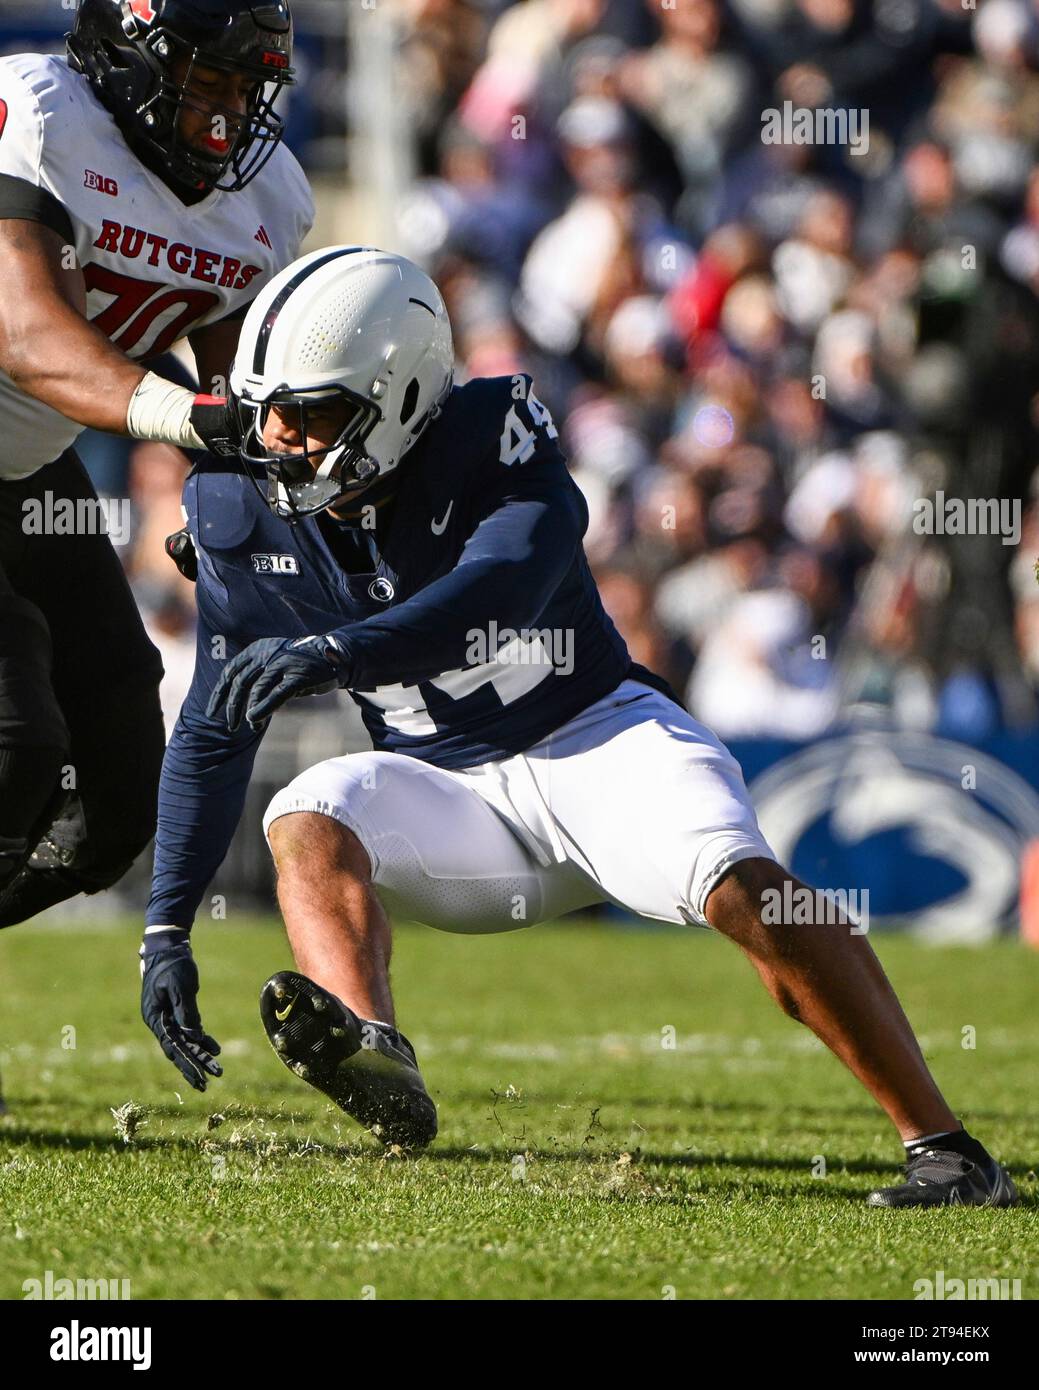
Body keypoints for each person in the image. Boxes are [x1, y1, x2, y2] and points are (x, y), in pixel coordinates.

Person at [143, 245, 1015, 1208]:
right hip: (452, 800)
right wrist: (163, 928)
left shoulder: (490, 436)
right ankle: (375, 1052)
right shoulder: (238, 511)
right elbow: (213, 733)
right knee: (309, 811)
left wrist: (343, 652)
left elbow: (497, 595)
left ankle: (945, 1149)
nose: (279, 441)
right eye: (268, 412)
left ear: (397, 399)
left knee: (752, 894)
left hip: (597, 742)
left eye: (311, 417)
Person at [0, 0, 312, 934]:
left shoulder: (267, 199)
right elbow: (24, 330)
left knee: (120, 800)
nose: (225, 116)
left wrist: (247, 502)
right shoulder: (42, 111)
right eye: (207, 79)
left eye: (247, 88)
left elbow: (243, 395)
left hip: (28, 472)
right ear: (126, 58)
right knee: (16, 746)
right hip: (32, 440)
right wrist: (188, 419)